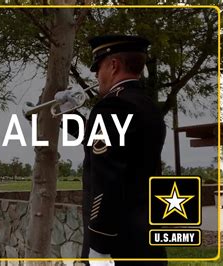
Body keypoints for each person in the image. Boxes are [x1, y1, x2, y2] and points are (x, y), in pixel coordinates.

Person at [55, 35, 167, 266]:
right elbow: (101, 141)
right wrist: (67, 112)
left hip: (117, 243)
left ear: (113, 65)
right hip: (145, 239)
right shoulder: (146, 104)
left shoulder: (112, 106)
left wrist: (100, 246)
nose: (97, 76)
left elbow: (108, 178)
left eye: (98, 68)